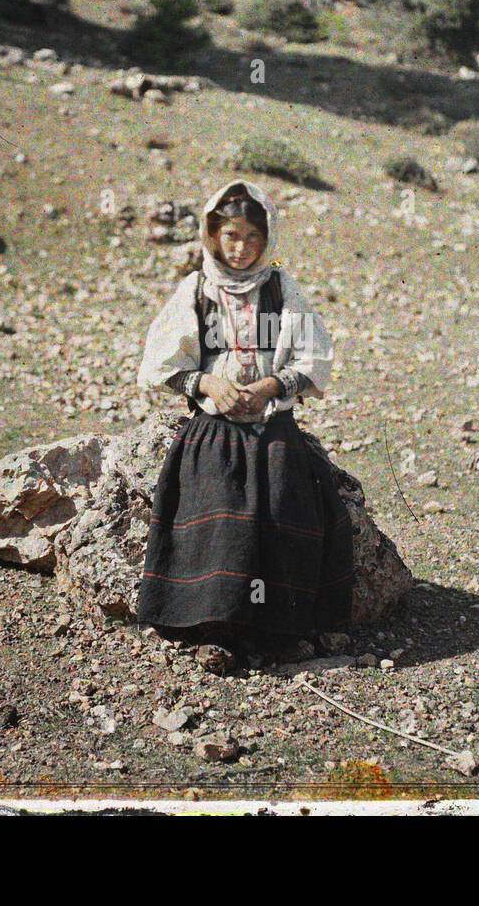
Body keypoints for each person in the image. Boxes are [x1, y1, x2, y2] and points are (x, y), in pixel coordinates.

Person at [136, 179, 353, 655]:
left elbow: (313, 358)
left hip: (272, 426)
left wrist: (271, 386)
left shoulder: (280, 286)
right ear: (213, 237)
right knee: (217, 513)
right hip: (213, 430)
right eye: (231, 236)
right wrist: (210, 384)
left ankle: (277, 630)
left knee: (284, 507)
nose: (241, 248)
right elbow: (161, 364)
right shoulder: (195, 289)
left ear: (267, 238)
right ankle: (211, 627)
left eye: (253, 237)